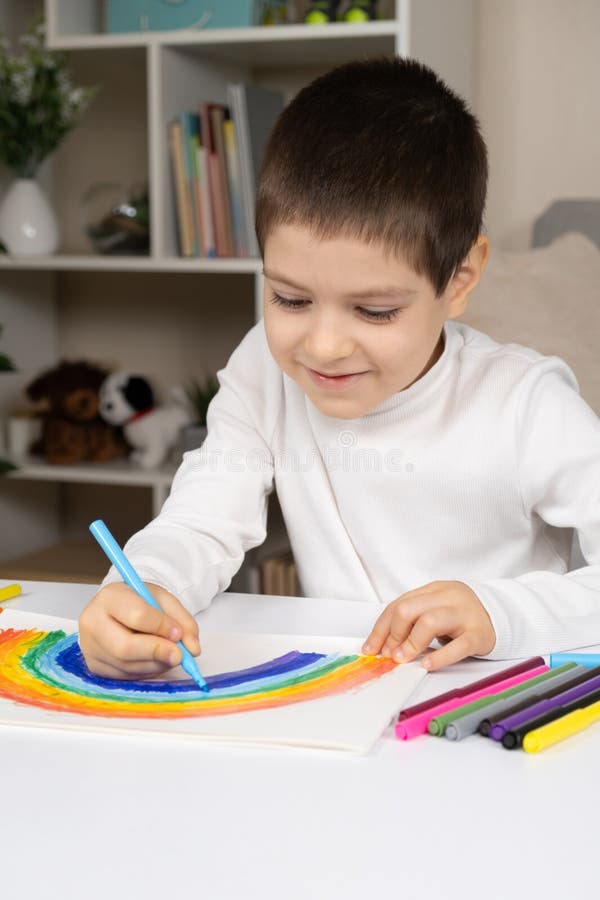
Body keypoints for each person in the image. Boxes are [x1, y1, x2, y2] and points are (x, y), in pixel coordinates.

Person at [79, 57, 600, 681]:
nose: (323, 347)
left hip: (501, 714)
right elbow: (202, 520)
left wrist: (499, 612)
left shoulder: (527, 402)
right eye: (290, 299)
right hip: (344, 705)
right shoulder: (264, 371)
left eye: (375, 311)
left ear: (460, 277)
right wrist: (147, 586)